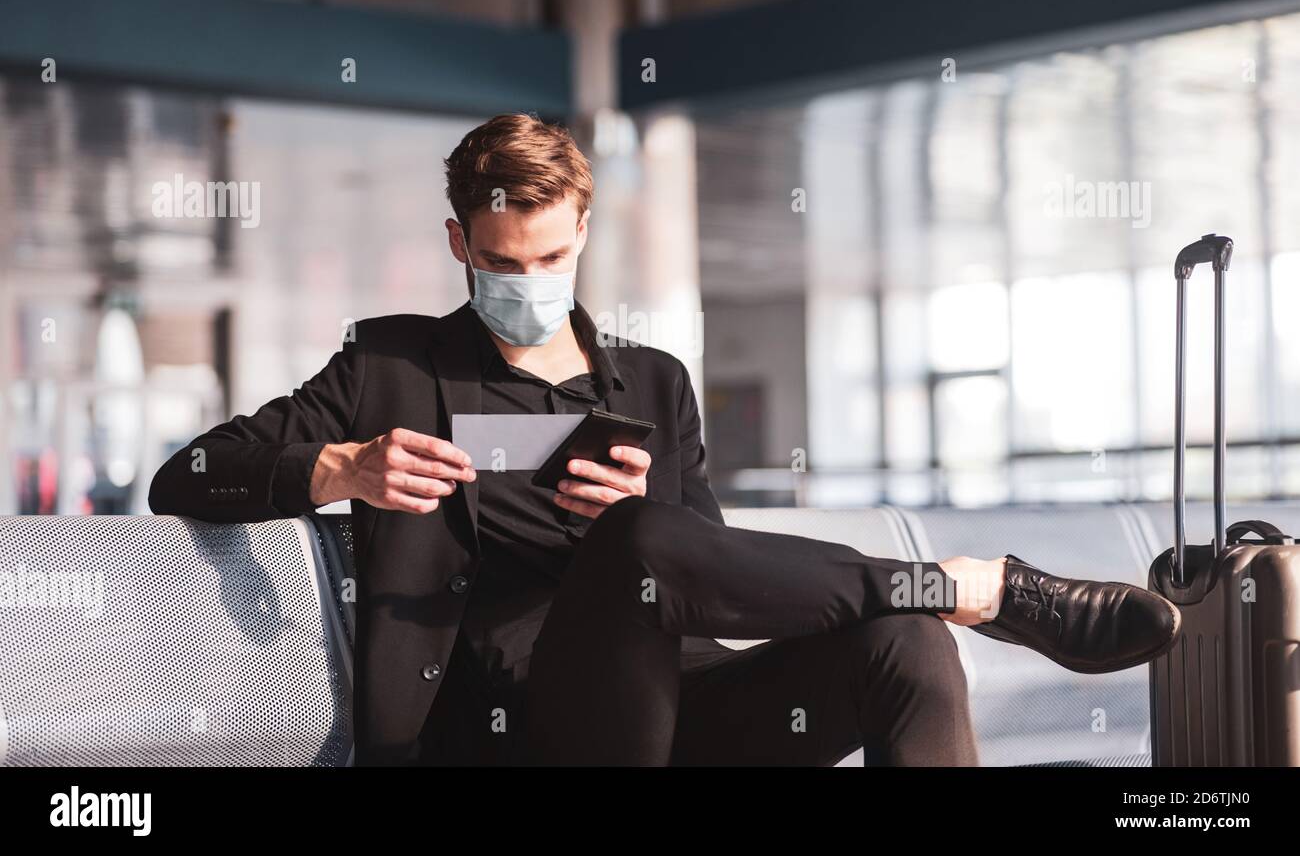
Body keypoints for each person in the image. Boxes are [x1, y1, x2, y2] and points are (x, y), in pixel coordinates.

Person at [149, 113, 1180, 766]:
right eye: (503, 260)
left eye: (553, 253)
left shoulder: (651, 381)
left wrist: (651, 521)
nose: (529, 281)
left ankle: (933, 597)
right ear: (460, 242)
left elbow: (722, 569)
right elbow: (182, 475)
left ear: (585, 233)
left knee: (899, 644)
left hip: (691, 705)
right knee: (642, 540)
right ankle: (965, 583)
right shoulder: (387, 369)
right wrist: (337, 467)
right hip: (519, 726)